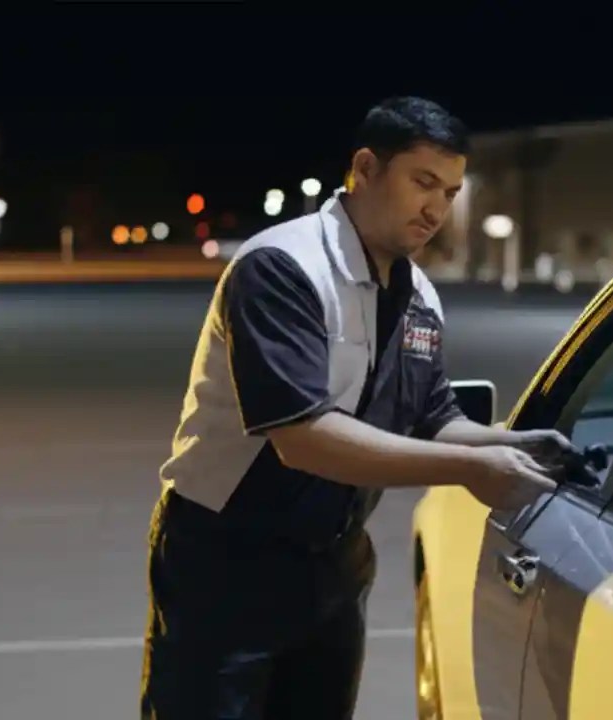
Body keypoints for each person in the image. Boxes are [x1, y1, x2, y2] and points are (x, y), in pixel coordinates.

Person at [140, 96, 574, 719]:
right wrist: (473, 471)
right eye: (422, 182)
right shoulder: (282, 267)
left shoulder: (419, 294)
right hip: (227, 559)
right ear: (365, 170)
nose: (436, 208)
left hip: (336, 563)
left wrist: (511, 445)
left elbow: (435, 418)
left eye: (451, 192)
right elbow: (302, 437)